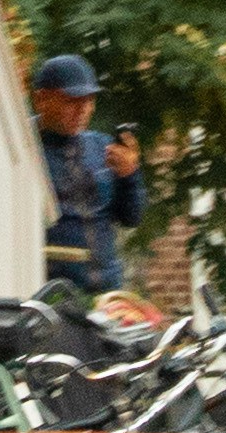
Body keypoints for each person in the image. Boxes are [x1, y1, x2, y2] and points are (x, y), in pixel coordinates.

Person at [31, 52, 143, 294]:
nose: (83, 109)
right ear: (41, 99)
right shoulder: (22, 149)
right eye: (71, 100)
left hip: (107, 290)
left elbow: (131, 218)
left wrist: (129, 175)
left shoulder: (103, 148)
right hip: (52, 293)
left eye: (89, 100)